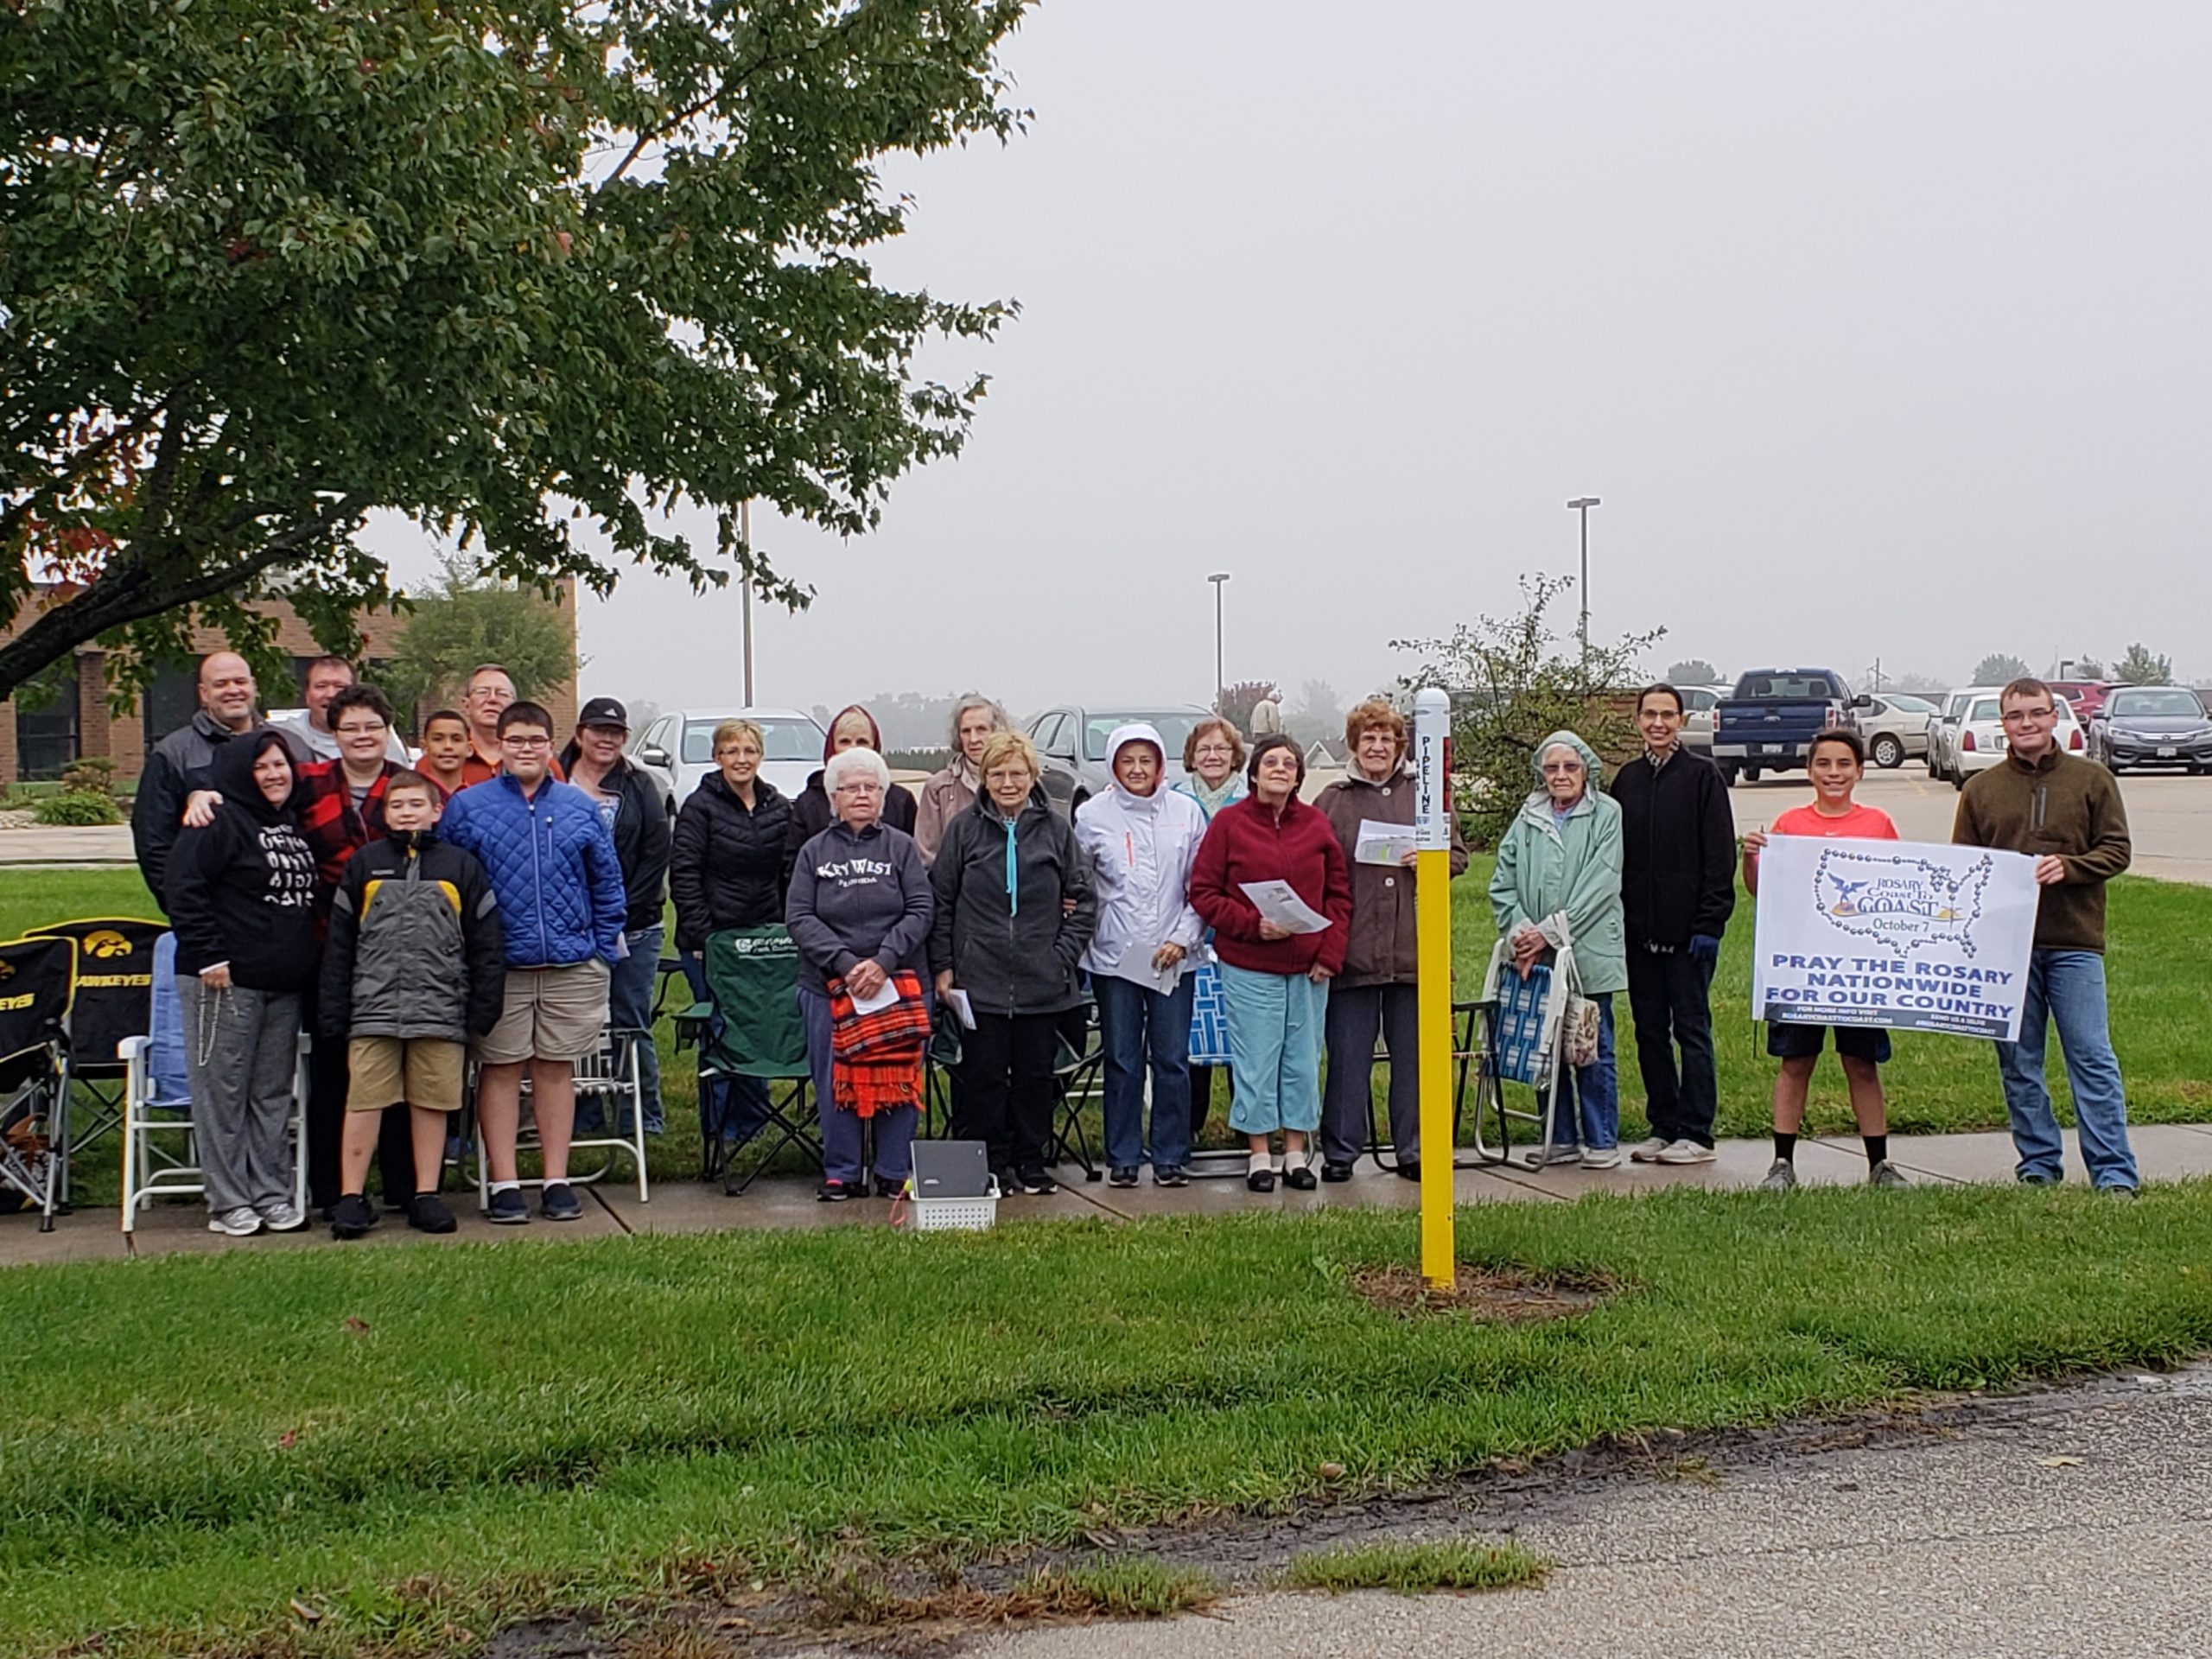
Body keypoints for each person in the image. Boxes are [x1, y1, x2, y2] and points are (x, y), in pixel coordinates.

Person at [439, 701, 626, 1224]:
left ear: (551, 746)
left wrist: (600, 941)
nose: (526, 749)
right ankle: (503, 1182)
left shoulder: (578, 806)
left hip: (570, 962)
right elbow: (450, 887)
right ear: (498, 747)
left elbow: (607, 881)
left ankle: (557, 1179)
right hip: (502, 967)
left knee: (554, 1070)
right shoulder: (468, 807)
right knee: (499, 1070)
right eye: (515, 740)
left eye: (535, 741)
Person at [1954, 678, 2138, 1192]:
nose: (2027, 723)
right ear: (2003, 723)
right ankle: (2037, 1164)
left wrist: (2071, 867)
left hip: (2075, 944)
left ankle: (2114, 1172)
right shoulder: (1981, 790)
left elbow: (2117, 850)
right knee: (2018, 1061)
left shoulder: (2093, 779)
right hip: (2007, 951)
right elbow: (1965, 867)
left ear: (2054, 717)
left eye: (2036, 713)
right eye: (2015, 716)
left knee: (2092, 1057)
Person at [319, 770, 506, 1237]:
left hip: (441, 1011)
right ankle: (351, 1197)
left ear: (437, 810)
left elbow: (486, 943)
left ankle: (426, 1194)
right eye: (396, 806)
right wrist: (334, 1008)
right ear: (385, 814)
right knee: (364, 1102)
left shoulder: (461, 867)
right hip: (372, 1010)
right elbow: (340, 944)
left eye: (416, 805)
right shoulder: (364, 865)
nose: (407, 813)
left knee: (431, 1102)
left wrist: (484, 1006)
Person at [162, 731, 320, 1236]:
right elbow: (183, 889)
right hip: (223, 983)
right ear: (236, 773)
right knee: (222, 1093)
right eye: (262, 767)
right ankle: (228, 1201)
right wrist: (209, 956)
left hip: (283, 984)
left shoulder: (288, 822)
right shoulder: (215, 820)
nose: (276, 774)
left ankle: (271, 1193)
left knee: (271, 1095)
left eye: (281, 764)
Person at [931, 731, 1096, 1197]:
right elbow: (941, 900)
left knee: (1034, 1078)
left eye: (1017, 773)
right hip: (978, 981)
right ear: (985, 779)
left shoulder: (1057, 830)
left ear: (1032, 777)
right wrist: (944, 966)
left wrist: (1060, 956)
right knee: (983, 1078)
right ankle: (988, 1163)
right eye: (998, 774)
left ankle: (1032, 1160)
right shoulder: (963, 829)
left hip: (1042, 983)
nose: (1008, 783)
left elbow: (1084, 899)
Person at [1743, 729, 1908, 1192]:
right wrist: (1751, 858)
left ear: (1859, 770)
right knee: (1796, 1062)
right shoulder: (1790, 824)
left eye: (1843, 765)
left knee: (1861, 1063)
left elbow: (1899, 893)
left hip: (1857, 969)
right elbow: (1762, 891)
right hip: (1802, 965)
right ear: (1810, 770)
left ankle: (1880, 1163)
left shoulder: (1877, 823)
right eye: (1824, 765)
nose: (1833, 774)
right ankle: (1781, 1163)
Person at [1189, 734, 1351, 1192]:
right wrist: (1250, 924)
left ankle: (1296, 1151)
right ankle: (1259, 1153)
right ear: (1255, 772)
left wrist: (1329, 953)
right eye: (1271, 762)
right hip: (1249, 964)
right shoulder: (1228, 824)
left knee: (1301, 1060)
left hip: (1308, 968)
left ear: (1299, 776)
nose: (1280, 769)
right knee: (1257, 1060)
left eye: (1289, 764)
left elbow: (1339, 895)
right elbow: (1203, 892)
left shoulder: (1317, 826)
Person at [1316, 699, 1468, 1181]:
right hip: (1354, 951)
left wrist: (1432, 860)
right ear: (1355, 746)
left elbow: (1459, 855)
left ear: (1401, 746)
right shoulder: (1334, 800)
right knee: (1347, 1060)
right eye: (1368, 739)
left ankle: (1415, 1150)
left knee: (1415, 1060)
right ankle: (1340, 1153)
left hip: (1412, 950)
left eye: (1386, 739)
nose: (1377, 747)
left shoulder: (1425, 794)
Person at [785, 747, 934, 1201]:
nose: (862, 795)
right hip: (829, 984)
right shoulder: (814, 852)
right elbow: (798, 916)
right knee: (836, 1080)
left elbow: (921, 907)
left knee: (900, 1077)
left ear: (885, 796)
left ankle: (892, 1169)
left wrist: (884, 960)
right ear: (834, 797)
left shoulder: (901, 847)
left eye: (871, 787)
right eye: (851, 788)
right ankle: (842, 1171)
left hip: (901, 981)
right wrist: (847, 964)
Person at [1489, 732, 1628, 1170]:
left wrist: (1551, 932)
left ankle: (1601, 1140)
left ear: (1587, 770)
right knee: (1544, 1046)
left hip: (1588, 951)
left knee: (1590, 1044)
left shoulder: (1606, 813)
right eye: (1552, 768)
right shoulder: (1528, 816)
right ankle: (1559, 1136)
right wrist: (1521, 935)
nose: (1561, 776)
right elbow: (1502, 880)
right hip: (1537, 957)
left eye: (1570, 767)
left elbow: (1601, 884)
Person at [1610, 683, 1736, 1166]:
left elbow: (1720, 854)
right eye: (1649, 714)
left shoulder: (1703, 777)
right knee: (1649, 1032)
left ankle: (1697, 1132)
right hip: (1641, 934)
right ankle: (1663, 1125)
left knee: (1691, 1029)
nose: (1658, 723)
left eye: (1667, 714)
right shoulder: (1629, 780)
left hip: (1690, 936)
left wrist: (1710, 922)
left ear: (1681, 720)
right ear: (1638, 720)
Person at [1076, 723, 1207, 1188]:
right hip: (1116, 959)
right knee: (1122, 1059)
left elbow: (1202, 887)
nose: (1137, 769)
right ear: (1113, 765)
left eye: (1145, 760)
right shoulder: (1092, 816)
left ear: (1159, 765)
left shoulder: (1187, 813)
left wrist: (1183, 939)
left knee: (1171, 1058)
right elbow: (1081, 888)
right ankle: (1124, 1156)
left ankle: (1171, 1154)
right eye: (1127, 760)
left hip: (1175, 957)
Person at [669, 717, 793, 1151]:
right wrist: (705, 939)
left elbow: (788, 870)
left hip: (763, 939)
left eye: (749, 751)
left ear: (761, 756)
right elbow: (683, 875)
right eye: (731, 751)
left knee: (756, 1027)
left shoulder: (779, 806)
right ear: (717, 756)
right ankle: (720, 1127)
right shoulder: (699, 808)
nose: (741, 759)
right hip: (711, 941)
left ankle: (754, 1121)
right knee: (721, 1030)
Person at [560, 697, 673, 1136]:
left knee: (630, 1021)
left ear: (624, 738)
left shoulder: (640, 785)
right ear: (580, 734)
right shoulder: (557, 780)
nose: (606, 739)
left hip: (636, 926)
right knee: (580, 1026)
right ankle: (586, 1120)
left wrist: (617, 914)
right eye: (597, 730)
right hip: (570, 928)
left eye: (615, 732)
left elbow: (655, 852)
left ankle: (641, 1120)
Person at [131, 650, 307, 901]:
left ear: (254, 686)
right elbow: (153, 841)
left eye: (240, 681)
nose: (233, 690)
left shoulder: (293, 746)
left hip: (288, 906)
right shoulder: (173, 754)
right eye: (221, 684)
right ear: (204, 693)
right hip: (214, 909)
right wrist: (182, 905)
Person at [1175, 716, 1249, 1141]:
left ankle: (1247, 1127)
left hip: (1240, 933)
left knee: (1244, 1036)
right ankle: (1188, 1126)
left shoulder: (1250, 799)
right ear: (1191, 756)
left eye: (1221, 749)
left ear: (1235, 755)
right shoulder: (1175, 800)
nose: (1213, 756)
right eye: (1204, 749)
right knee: (1191, 1037)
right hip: (1191, 935)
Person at [785, 703, 918, 879]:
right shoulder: (809, 803)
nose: (853, 749)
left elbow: (914, 865)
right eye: (844, 741)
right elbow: (793, 869)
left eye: (862, 742)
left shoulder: (900, 801)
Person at [915, 695, 1011, 863]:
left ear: (997, 732)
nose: (973, 739)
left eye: (981, 729)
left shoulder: (1018, 784)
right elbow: (926, 857)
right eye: (966, 731)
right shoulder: (938, 788)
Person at [273, 655, 410, 764]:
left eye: (340, 687)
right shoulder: (285, 736)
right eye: (321, 686)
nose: (331, 694)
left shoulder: (378, 734)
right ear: (307, 694)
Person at [453, 664, 565, 787]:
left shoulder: (544, 765)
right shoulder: (446, 758)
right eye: (482, 692)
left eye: (502, 694)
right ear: (466, 705)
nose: (492, 699)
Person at [418, 709, 474, 798]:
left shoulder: (477, 798)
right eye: (438, 739)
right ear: (424, 747)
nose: (448, 746)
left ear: (469, 749)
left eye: (456, 740)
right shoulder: (412, 795)